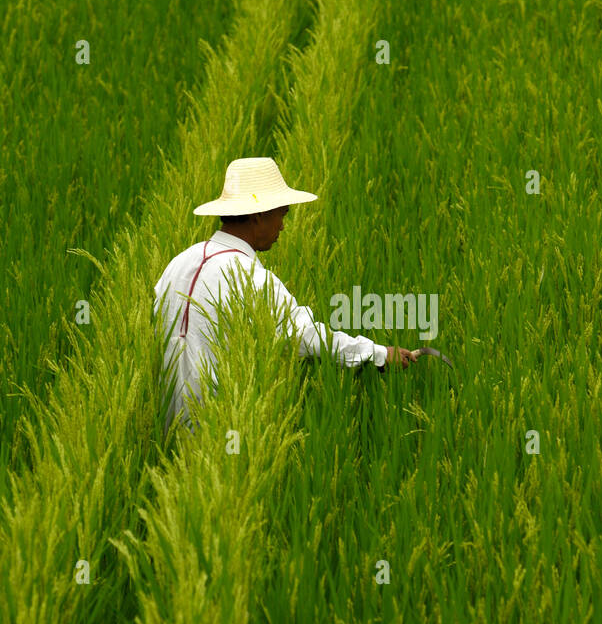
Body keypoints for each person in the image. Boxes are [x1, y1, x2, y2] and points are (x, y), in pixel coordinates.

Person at [153, 157, 417, 431]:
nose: (282, 226)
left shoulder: (178, 264)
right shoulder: (249, 277)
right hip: (219, 427)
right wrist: (377, 354)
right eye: (282, 214)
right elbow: (305, 337)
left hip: (167, 427)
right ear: (258, 215)